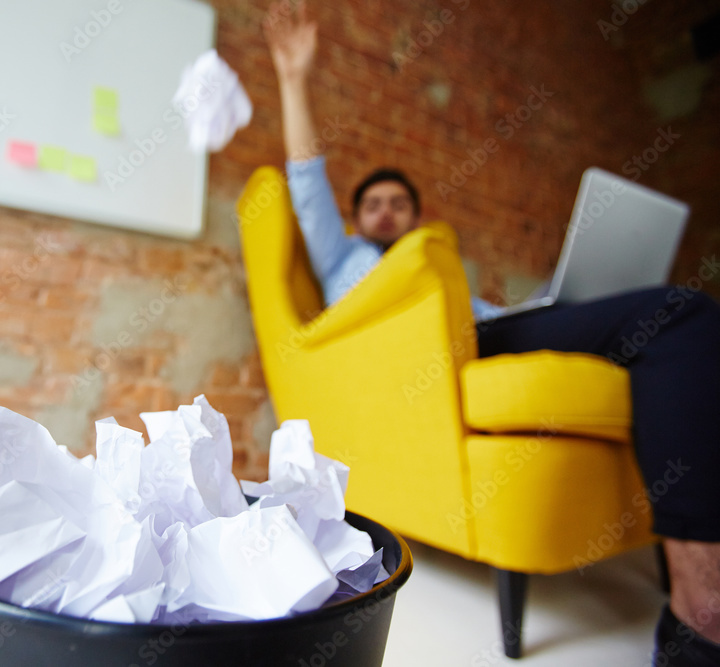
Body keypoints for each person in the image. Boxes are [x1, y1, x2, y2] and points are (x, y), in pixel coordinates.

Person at [263, 3, 720, 665]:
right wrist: (293, 77)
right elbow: (307, 180)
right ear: (354, 222)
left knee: (670, 340)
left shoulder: (441, 270)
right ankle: (701, 613)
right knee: (684, 314)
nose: (387, 211)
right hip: (455, 349)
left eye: (399, 203)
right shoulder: (345, 259)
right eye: (373, 204)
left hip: (501, 325)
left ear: (417, 216)